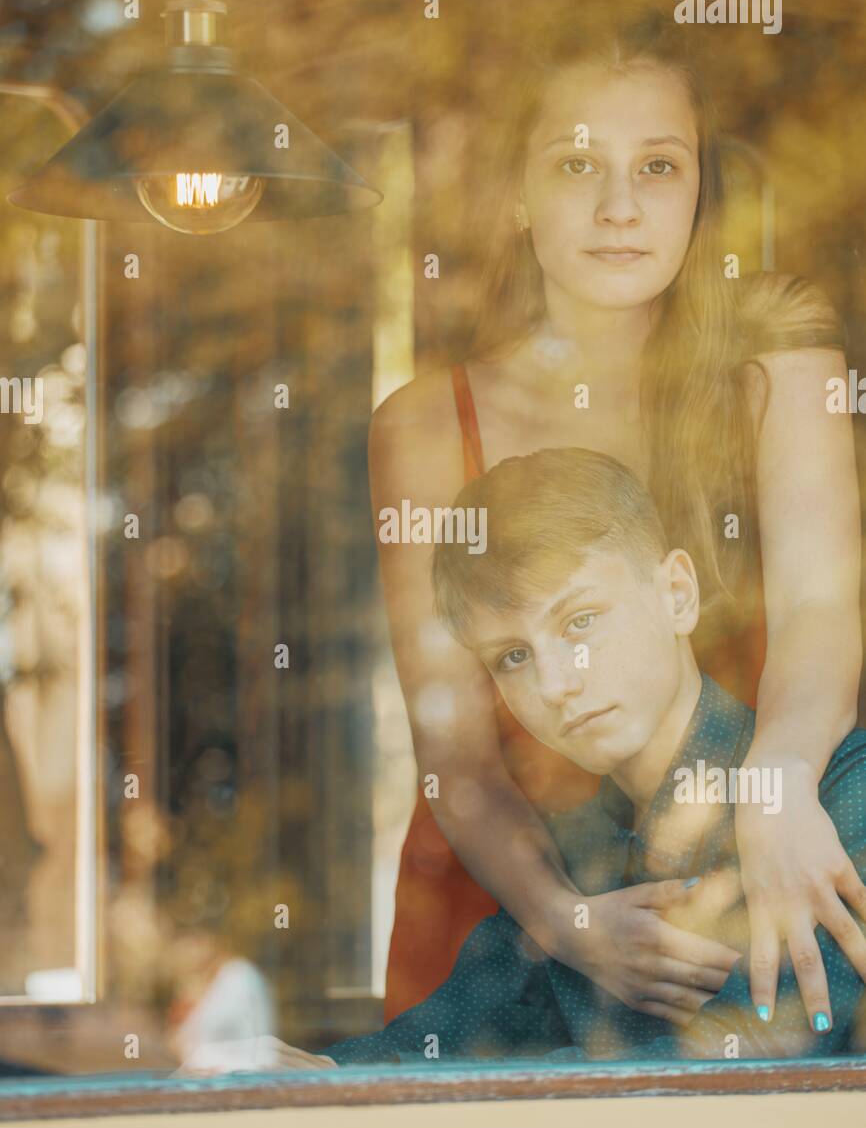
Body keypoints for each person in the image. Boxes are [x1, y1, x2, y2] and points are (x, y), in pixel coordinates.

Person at [372, 5, 862, 1026]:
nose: (617, 207)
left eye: (656, 167)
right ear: (514, 194)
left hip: (768, 836)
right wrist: (560, 921)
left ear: (696, 191)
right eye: (572, 165)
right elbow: (452, 749)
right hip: (517, 891)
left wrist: (774, 784)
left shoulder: (777, 355)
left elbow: (821, 606)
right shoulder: (428, 424)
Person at [307, 448, 866, 1068]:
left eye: (579, 621)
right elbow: (440, 1041)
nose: (554, 685)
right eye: (513, 657)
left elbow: (728, 1077)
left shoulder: (841, 802)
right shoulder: (569, 854)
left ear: (677, 594)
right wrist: (319, 1078)